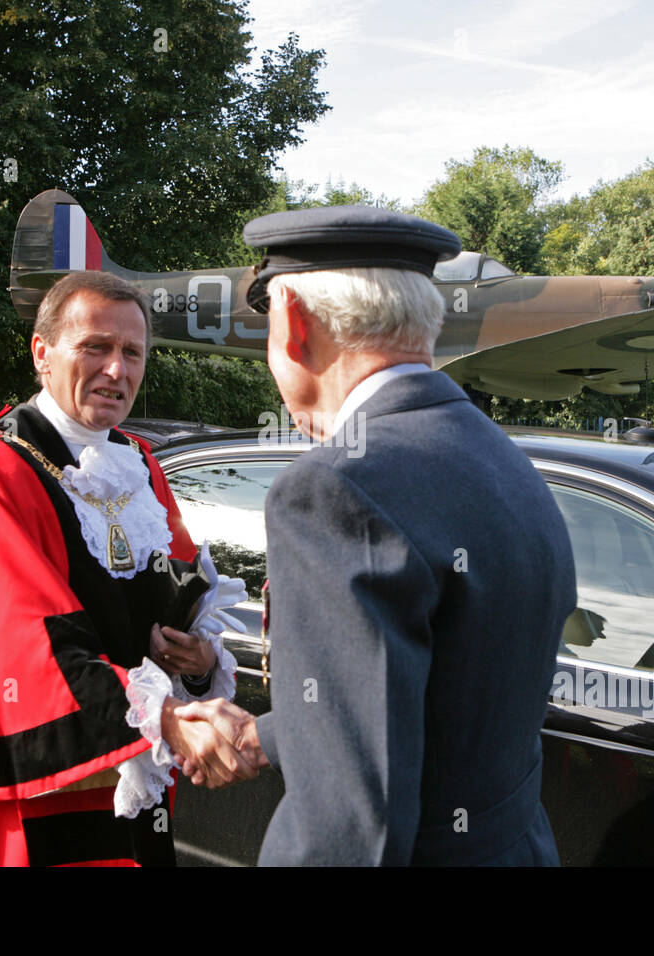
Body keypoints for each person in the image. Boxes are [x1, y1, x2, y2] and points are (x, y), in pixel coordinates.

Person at [176, 206, 578, 865]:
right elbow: (431, 702)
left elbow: (347, 828)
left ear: (295, 325)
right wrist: (264, 736)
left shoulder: (335, 489)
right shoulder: (502, 457)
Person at [0, 271, 253, 867]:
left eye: (132, 352)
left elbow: (177, 594)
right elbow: (21, 641)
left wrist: (199, 665)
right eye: (95, 346)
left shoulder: (139, 461)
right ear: (42, 353)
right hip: (37, 775)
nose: (116, 370)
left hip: (132, 764)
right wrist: (161, 714)